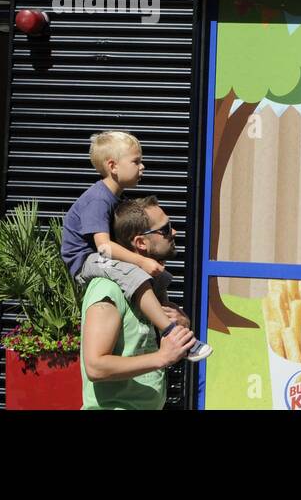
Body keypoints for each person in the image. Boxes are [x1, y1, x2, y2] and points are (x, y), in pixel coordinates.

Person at [61, 130, 210, 361]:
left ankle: (166, 322)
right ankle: (170, 332)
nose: (143, 167)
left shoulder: (114, 198)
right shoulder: (99, 199)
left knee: (159, 276)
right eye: (136, 161)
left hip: (98, 257)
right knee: (134, 272)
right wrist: (141, 260)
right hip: (84, 260)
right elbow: (103, 247)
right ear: (113, 166)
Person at [80, 197, 196, 410]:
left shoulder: (150, 289)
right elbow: (95, 366)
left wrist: (181, 328)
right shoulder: (108, 289)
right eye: (166, 229)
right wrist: (161, 357)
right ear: (141, 242)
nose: (174, 233)